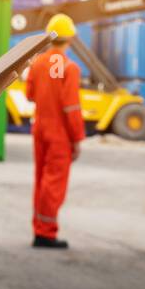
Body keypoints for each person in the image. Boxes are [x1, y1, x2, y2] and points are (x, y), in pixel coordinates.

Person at [23, 14, 85, 248]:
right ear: (70, 38)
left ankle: (39, 228)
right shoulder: (70, 67)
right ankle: (46, 233)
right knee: (54, 183)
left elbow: (30, 95)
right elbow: (71, 106)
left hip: (40, 129)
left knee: (41, 180)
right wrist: (77, 138)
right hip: (59, 133)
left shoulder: (38, 63)